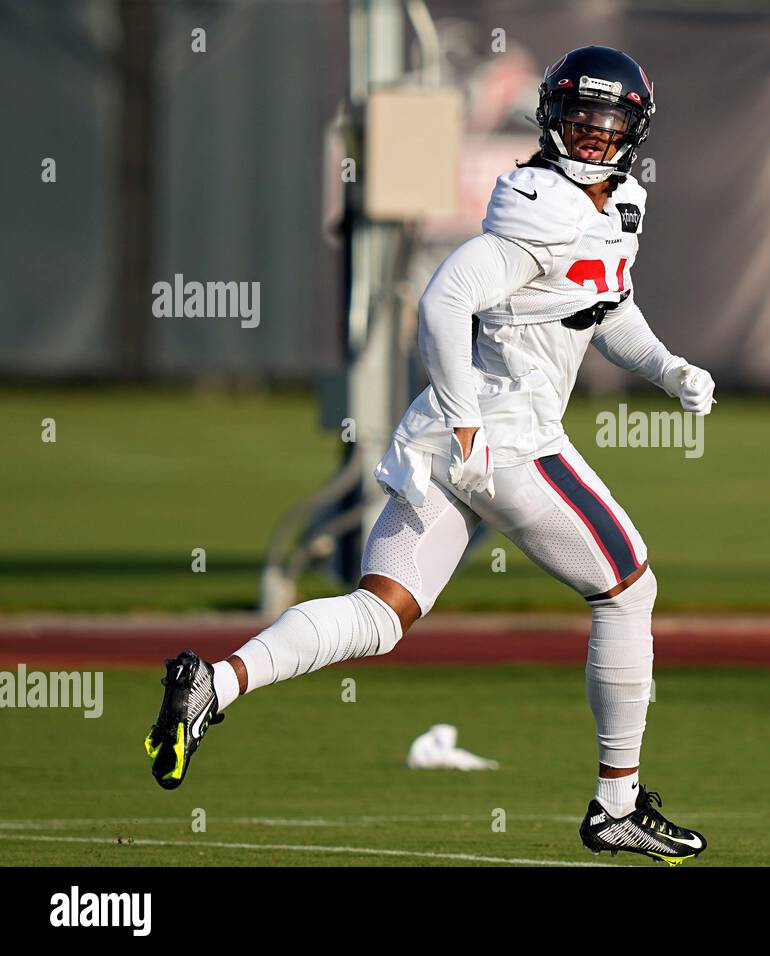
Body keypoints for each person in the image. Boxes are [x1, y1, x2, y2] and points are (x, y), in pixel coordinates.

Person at [144, 45, 714, 865]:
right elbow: (447, 298)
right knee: (629, 588)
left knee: (380, 616)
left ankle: (214, 683)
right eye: (583, 117)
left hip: (444, 438)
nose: (593, 133)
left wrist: (666, 367)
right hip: (505, 433)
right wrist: (472, 423)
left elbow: (605, 302)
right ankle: (615, 805)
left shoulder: (618, 200)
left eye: (610, 120)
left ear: (634, 127)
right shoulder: (540, 200)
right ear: (555, 116)